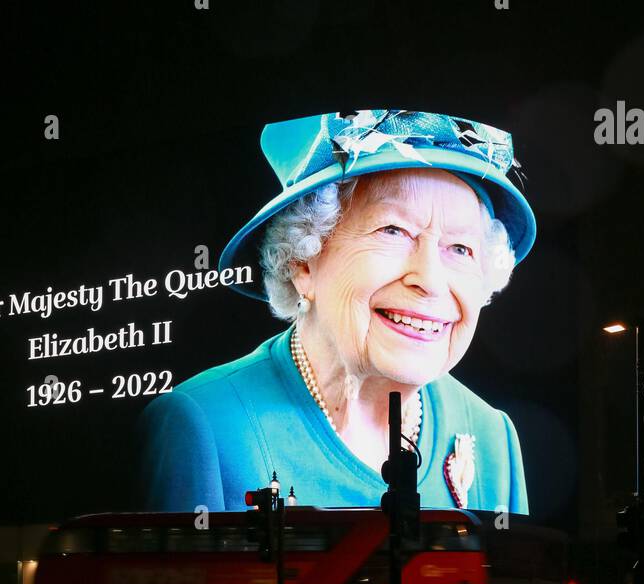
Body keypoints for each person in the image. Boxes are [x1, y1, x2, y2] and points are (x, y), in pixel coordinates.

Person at [139, 109, 536, 512]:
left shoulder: (492, 439)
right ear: (303, 262)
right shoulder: (204, 427)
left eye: (460, 249)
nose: (431, 281)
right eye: (393, 231)